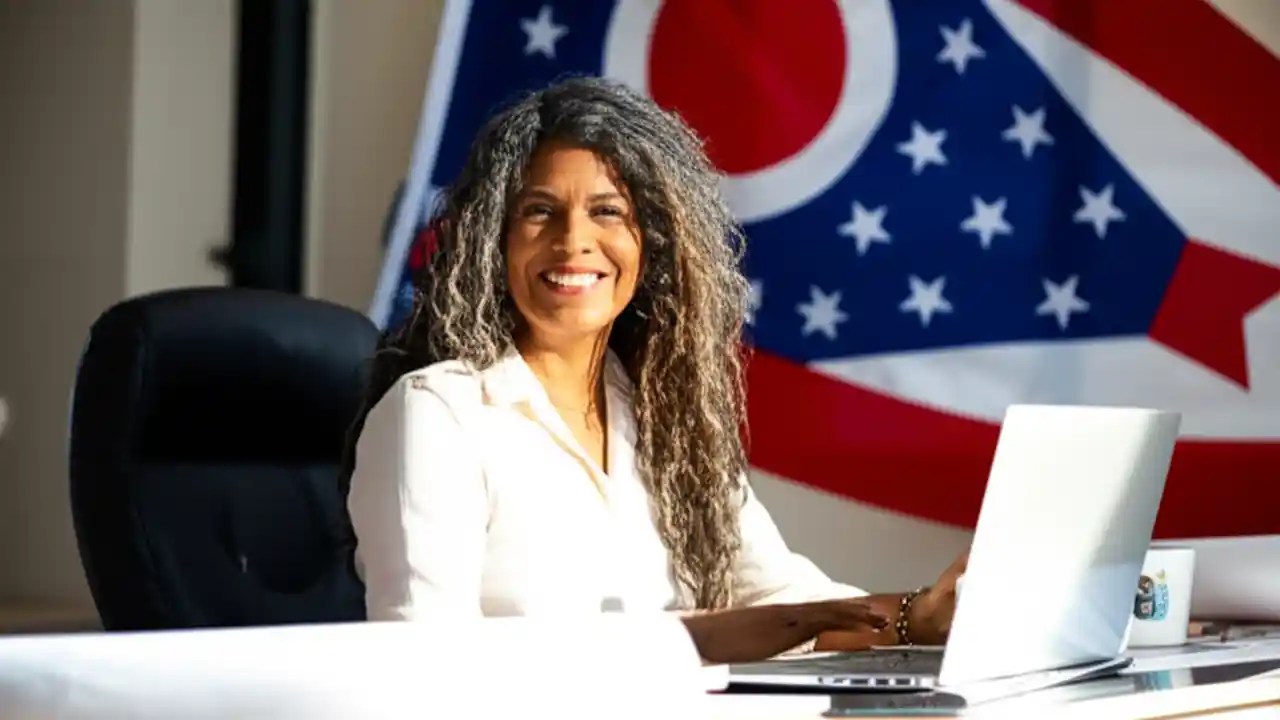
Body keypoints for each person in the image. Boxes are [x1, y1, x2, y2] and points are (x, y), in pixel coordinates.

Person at [342, 75, 967, 664]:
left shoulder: (665, 418)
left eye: (608, 212)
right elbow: (421, 667)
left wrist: (923, 618)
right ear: (494, 241)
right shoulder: (436, 413)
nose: (573, 242)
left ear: (654, 244)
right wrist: (682, 644)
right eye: (539, 211)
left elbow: (784, 609)